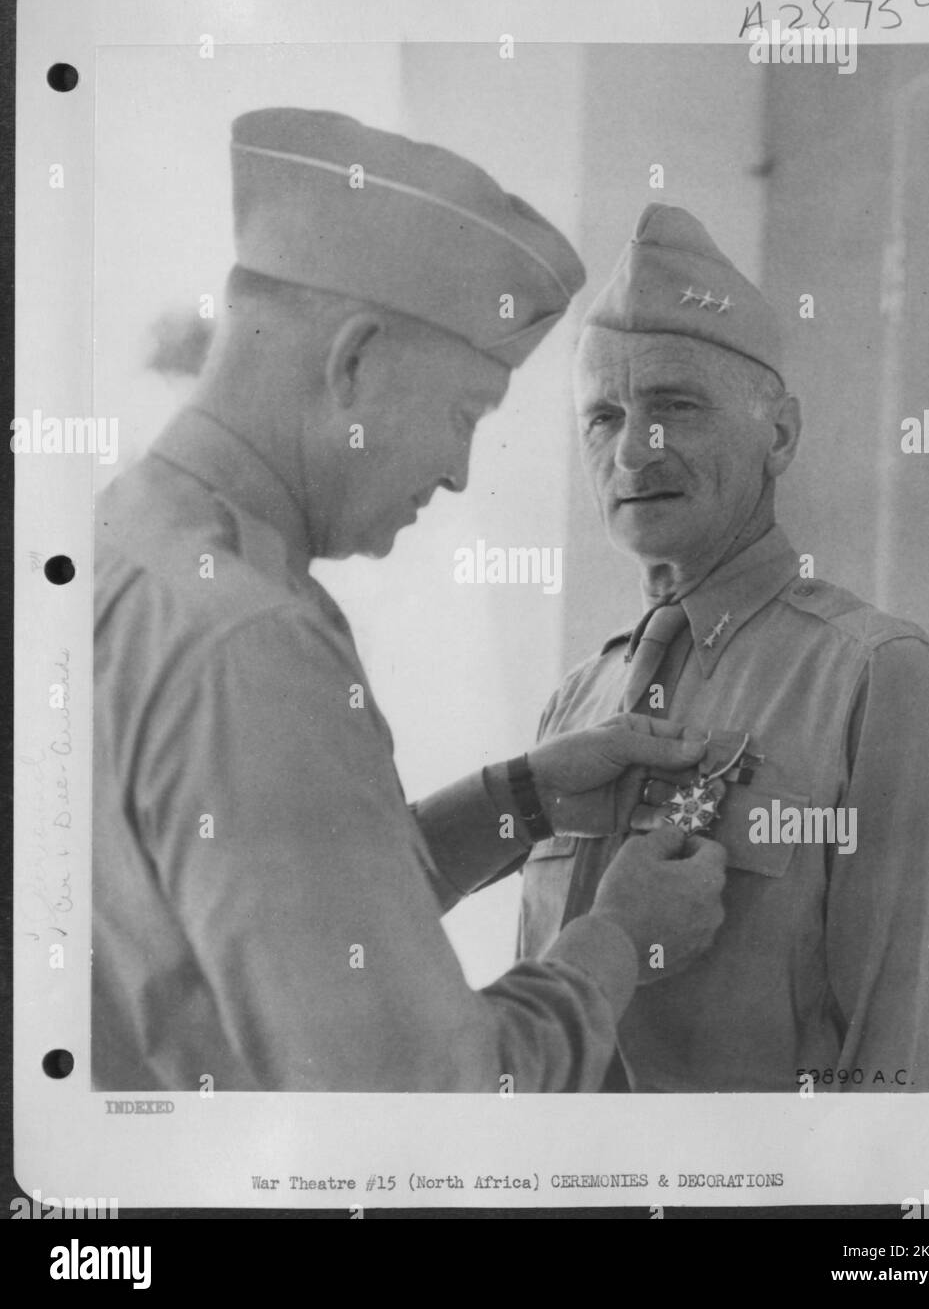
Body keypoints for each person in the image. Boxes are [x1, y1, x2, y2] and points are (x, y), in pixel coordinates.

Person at [92, 111, 728, 1093]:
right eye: (461, 415)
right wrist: (620, 936)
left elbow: (291, 916)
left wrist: (520, 801)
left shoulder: (129, 542)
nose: (460, 472)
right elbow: (426, 1103)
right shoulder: (248, 641)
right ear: (352, 362)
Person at [518, 203, 929, 1093]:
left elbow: (896, 1057)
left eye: (674, 405)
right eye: (602, 417)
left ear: (777, 433)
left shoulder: (872, 675)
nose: (633, 450)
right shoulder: (575, 703)